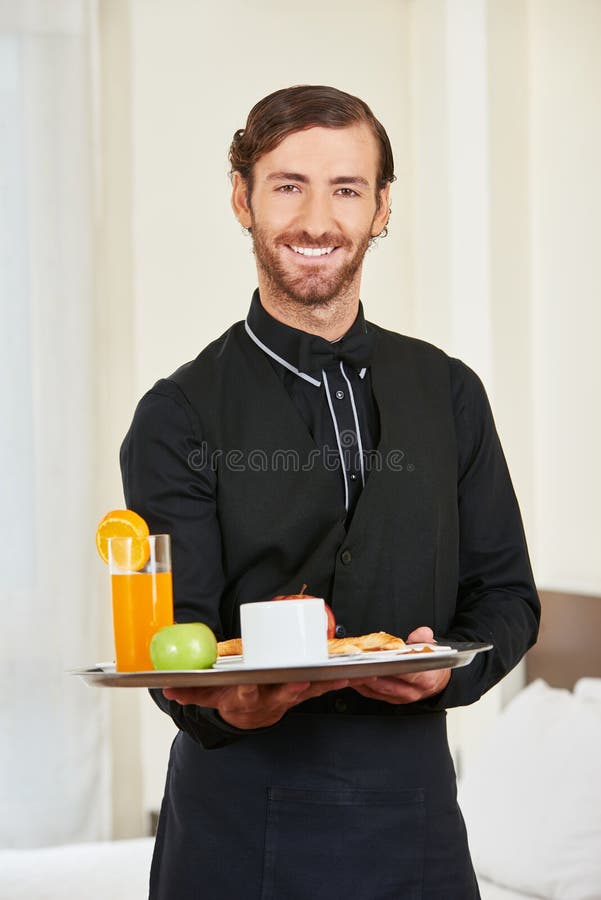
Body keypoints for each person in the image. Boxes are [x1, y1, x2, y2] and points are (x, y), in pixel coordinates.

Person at [120, 85, 540, 900]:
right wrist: (228, 705)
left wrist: (445, 673)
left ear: (381, 208)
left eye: (346, 189)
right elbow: (177, 636)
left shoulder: (449, 392)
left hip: (416, 813)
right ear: (243, 198)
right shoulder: (176, 414)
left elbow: (508, 596)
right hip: (237, 818)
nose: (317, 221)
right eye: (288, 185)